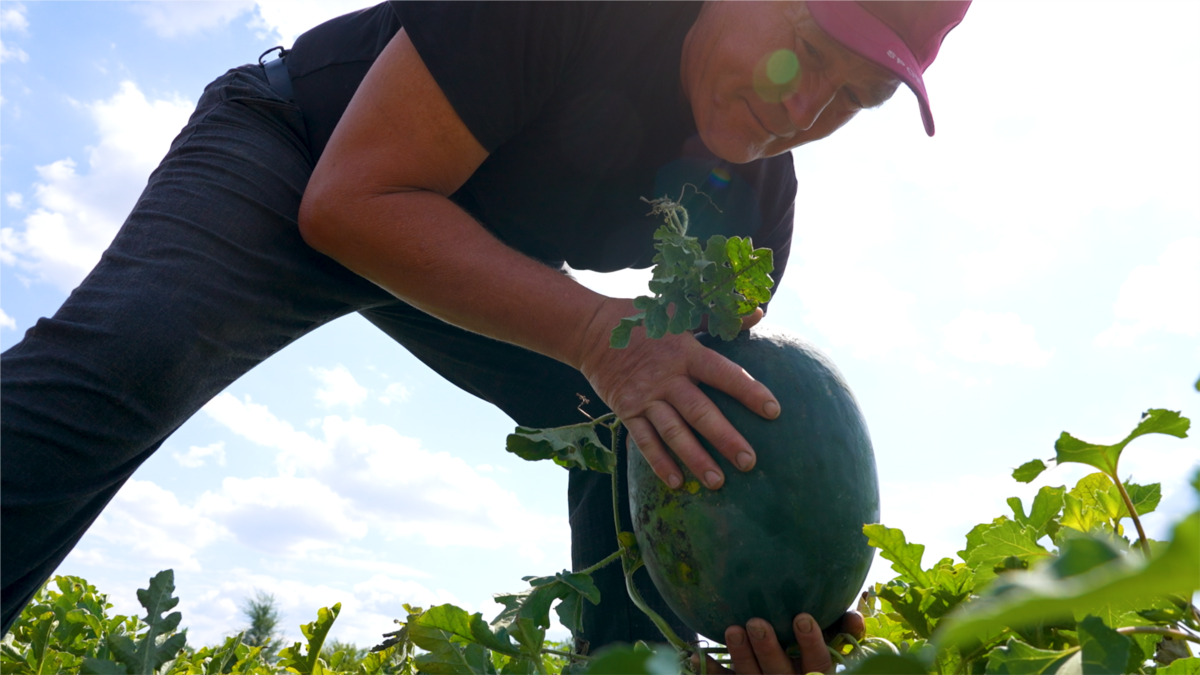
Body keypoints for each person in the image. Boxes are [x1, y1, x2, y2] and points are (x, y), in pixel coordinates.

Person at [0, 0, 969, 671]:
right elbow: (354, 203)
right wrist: (597, 334)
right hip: (307, 155)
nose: (800, 107)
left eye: (853, 96)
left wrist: (748, 611)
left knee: (654, 416)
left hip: (474, 246)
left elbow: (703, 443)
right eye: (804, 43)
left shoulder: (753, 203)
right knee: (135, 351)